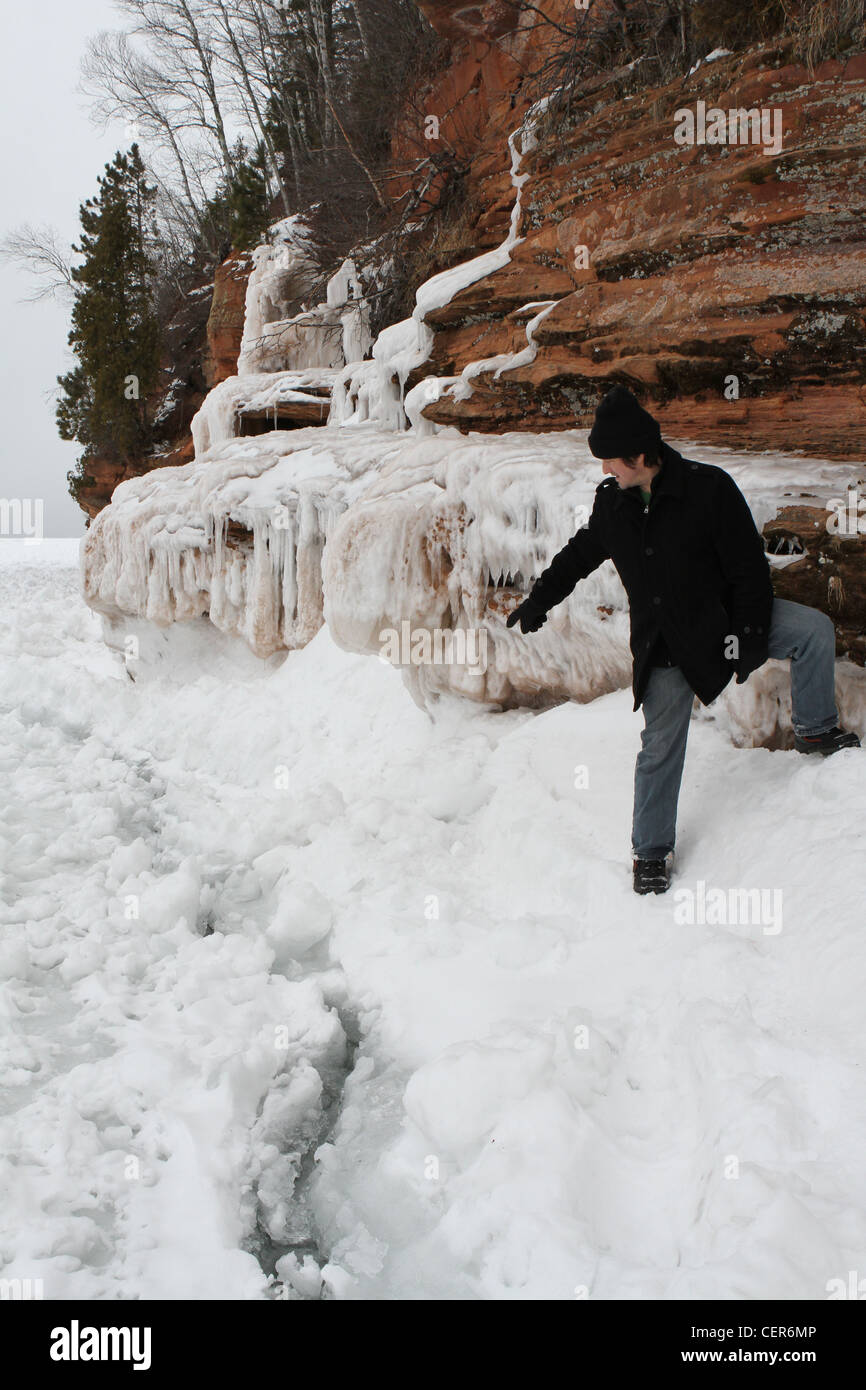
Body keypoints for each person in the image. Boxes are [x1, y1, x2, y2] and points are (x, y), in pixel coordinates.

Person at [506, 385, 860, 896]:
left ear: (640, 455)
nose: (606, 471)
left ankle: (815, 729)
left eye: (612, 461)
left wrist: (747, 637)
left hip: (723, 622)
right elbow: (578, 556)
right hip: (664, 643)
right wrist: (539, 600)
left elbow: (748, 571)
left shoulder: (709, 489)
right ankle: (650, 852)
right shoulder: (613, 507)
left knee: (812, 632)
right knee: (660, 747)